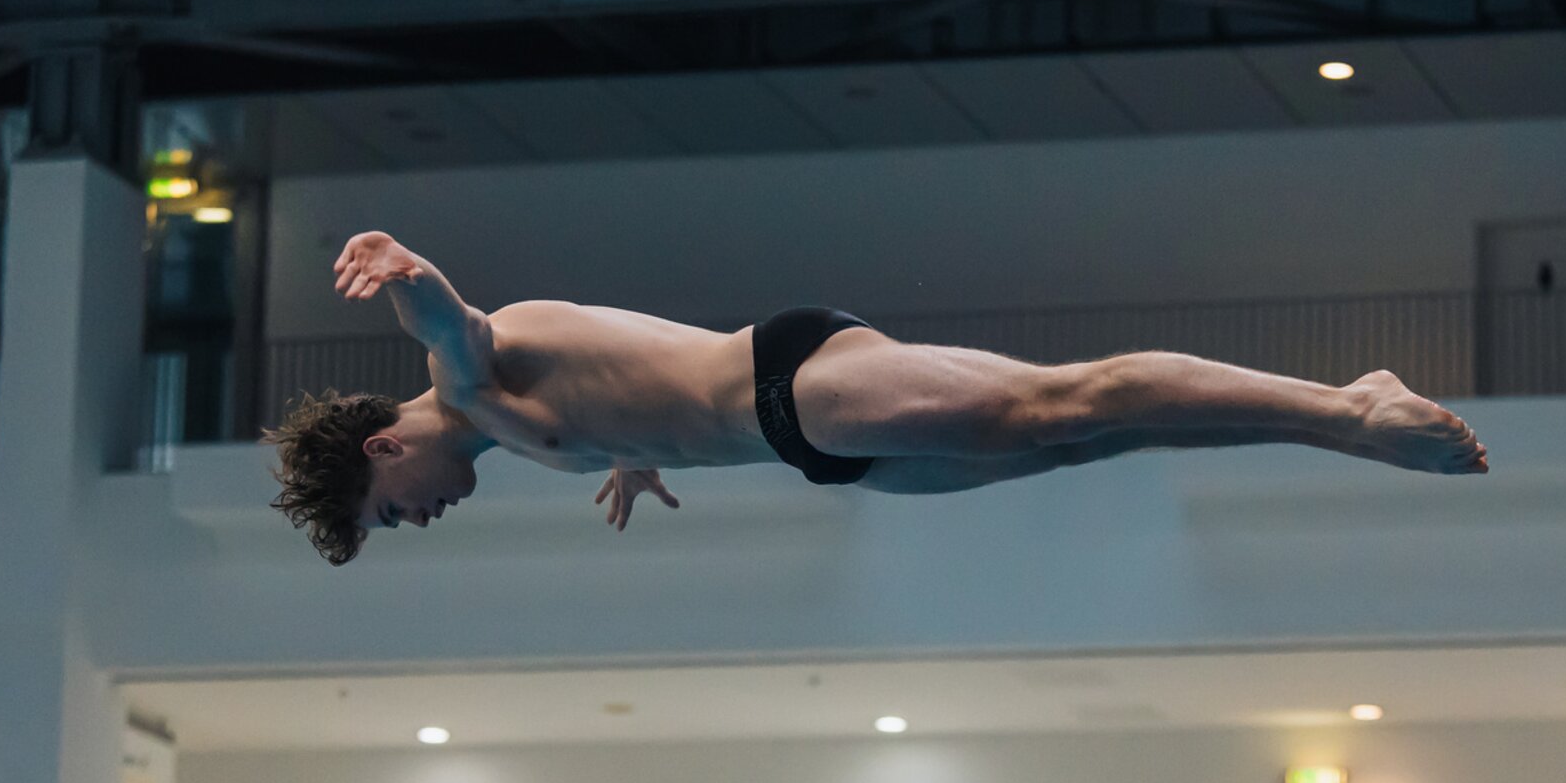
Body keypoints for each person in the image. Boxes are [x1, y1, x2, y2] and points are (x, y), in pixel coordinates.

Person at [266, 232, 1489, 564]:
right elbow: (603, 391)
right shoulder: (499, 429)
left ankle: (1347, 410)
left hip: (791, 384)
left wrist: (402, 269)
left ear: (384, 445)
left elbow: (451, 319)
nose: (416, 522)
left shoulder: (457, 377)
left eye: (389, 512)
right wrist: (640, 455)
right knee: (1078, 449)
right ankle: (1332, 416)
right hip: (815, 450)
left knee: (1067, 404)